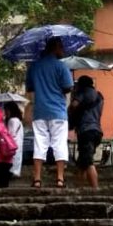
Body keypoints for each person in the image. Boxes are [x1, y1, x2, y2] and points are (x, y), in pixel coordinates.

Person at [25, 36, 73, 188]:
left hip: (39, 111)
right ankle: (60, 179)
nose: (63, 51)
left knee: (40, 144)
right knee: (59, 143)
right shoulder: (61, 66)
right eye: (61, 47)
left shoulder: (34, 67)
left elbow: (30, 88)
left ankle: (37, 179)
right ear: (56, 47)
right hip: (58, 111)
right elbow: (68, 87)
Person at [68, 75, 104, 189]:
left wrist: (70, 111)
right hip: (97, 131)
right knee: (82, 162)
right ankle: (78, 188)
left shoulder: (83, 92)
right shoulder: (99, 96)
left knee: (88, 161)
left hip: (86, 131)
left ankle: (95, 189)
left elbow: (74, 105)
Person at [4, 101, 24, 180]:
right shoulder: (18, 120)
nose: (6, 112)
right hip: (17, 145)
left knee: (11, 162)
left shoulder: (12, 120)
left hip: (12, 146)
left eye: (7, 110)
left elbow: (10, 135)